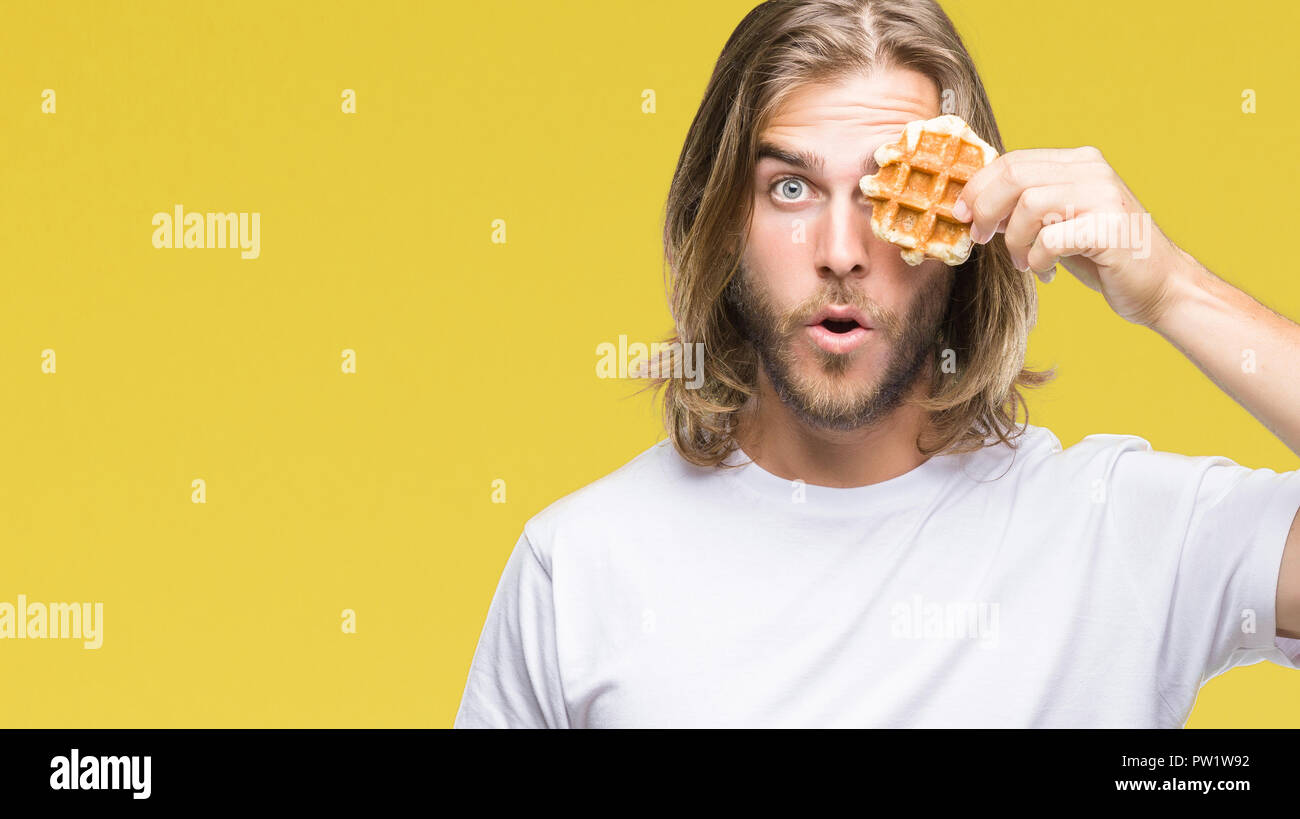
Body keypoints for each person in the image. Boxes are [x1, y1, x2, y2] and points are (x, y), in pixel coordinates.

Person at [453, 0, 1300, 728]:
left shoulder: (1122, 534)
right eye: (790, 188)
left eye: (882, 191)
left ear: (968, 222)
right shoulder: (580, 567)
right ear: (719, 220)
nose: (840, 251)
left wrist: (1172, 290)